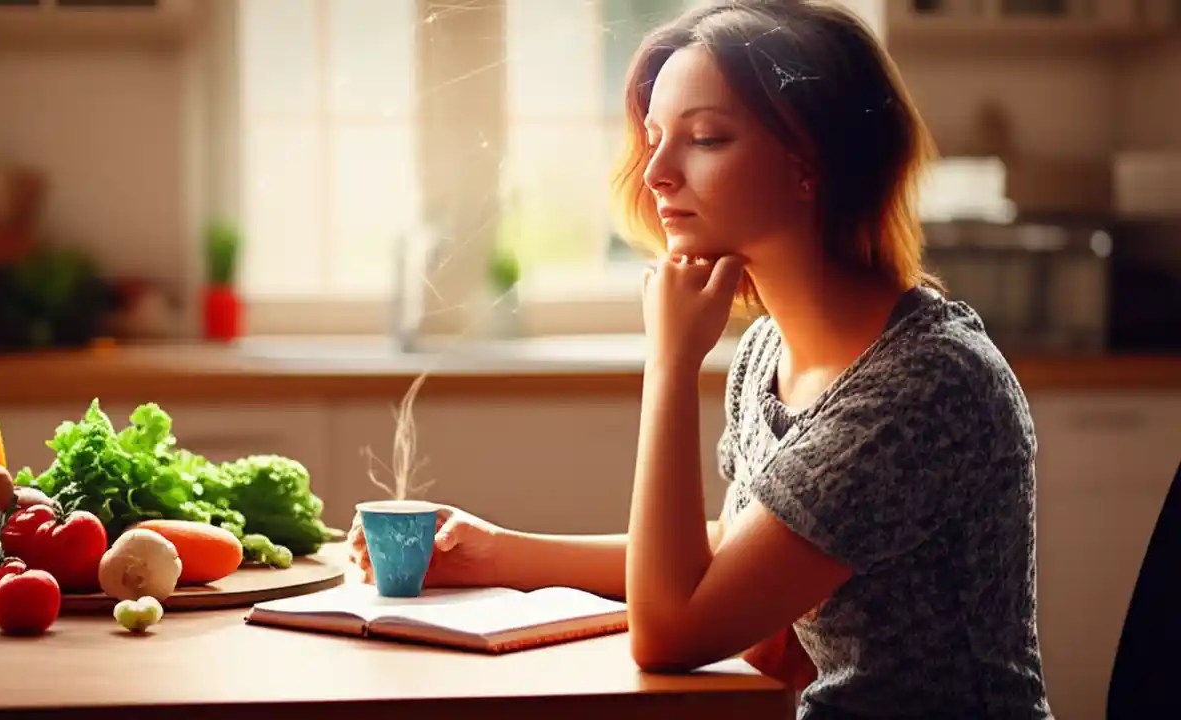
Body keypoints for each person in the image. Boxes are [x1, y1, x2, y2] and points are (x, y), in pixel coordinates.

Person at [349, 1, 1052, 717]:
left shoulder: (925, 385)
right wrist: (498, 554)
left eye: (705, 138)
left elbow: (672, 631)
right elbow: (757, 542)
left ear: (812, 164)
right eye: (654, 137)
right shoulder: (767, 352)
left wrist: (671, 363)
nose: (655, 172)